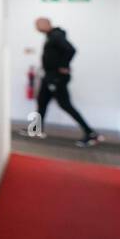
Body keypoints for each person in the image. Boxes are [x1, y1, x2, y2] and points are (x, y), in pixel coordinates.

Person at [33, 17, 102, 147]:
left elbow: (71, 49)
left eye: (37, 25)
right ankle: (36, 129)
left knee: (65, 104)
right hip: (49, 76)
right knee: (42, 102)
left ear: (45, 24)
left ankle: (91, 133)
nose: (35, 28)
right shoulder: (50, 36)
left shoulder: (56, 35)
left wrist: (63, 66)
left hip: (56, 77)